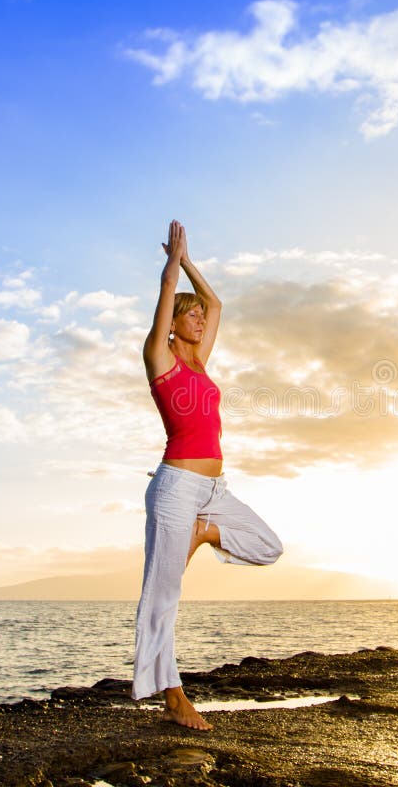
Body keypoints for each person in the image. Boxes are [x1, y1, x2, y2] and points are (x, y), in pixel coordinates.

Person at [131, 219, 283, 729]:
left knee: (268, 544)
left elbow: (217, 304)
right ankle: (172, 696)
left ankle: (207, 534)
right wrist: (172, 269)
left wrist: (192, 261)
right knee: (162, 594)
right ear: (172, 325)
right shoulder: (159, 357)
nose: (199, 320)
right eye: (189, 316)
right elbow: (169, 294)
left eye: (198, 316)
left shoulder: (200, 363)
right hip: (175, 487)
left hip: (215, 489)